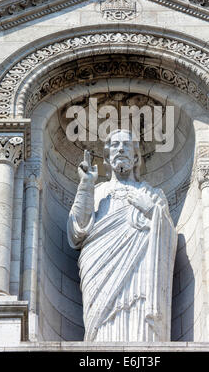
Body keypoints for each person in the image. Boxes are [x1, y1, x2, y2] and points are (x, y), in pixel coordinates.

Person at [67, 129, 177, 341]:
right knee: (102, 331)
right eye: (115, 145)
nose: (120, 149)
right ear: (107, 157)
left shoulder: (152, 194)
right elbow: (75, 232)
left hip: (140, 277)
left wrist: (152, 211)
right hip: (100, 271)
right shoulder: (97, 191)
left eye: (126, 145)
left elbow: (168, 241)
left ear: (136, 156)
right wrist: (86, 185)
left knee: (139, 322)